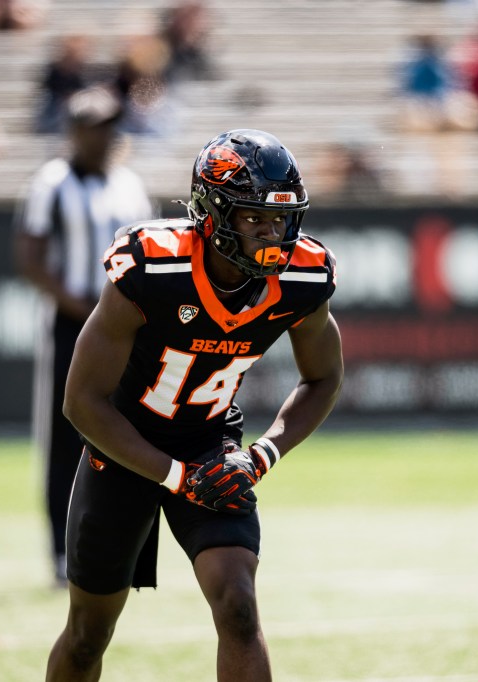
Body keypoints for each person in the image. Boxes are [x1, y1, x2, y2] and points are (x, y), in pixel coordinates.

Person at [45, 129, 343, 681]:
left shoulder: (302, 274)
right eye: (254, 218)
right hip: (123, 449)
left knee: (238, 604)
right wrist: (176, 477)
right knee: (88, 634)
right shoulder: (152, 267)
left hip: (210, 446)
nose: (272, 235)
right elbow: (81, 401)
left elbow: (323, 378)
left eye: (281, 219)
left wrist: (261, 456)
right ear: (210, 214)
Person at [13, 85, 154, 587]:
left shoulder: (130, 185)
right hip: (72, 322)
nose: (105, 136)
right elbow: (31, 258)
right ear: (74, 130)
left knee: (128, 431)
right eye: (95, 127)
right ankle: (61, 550)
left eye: (111, 126)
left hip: (128, 325)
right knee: (65, 437)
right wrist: (85, 307)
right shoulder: (51, 183)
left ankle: (124, 549)